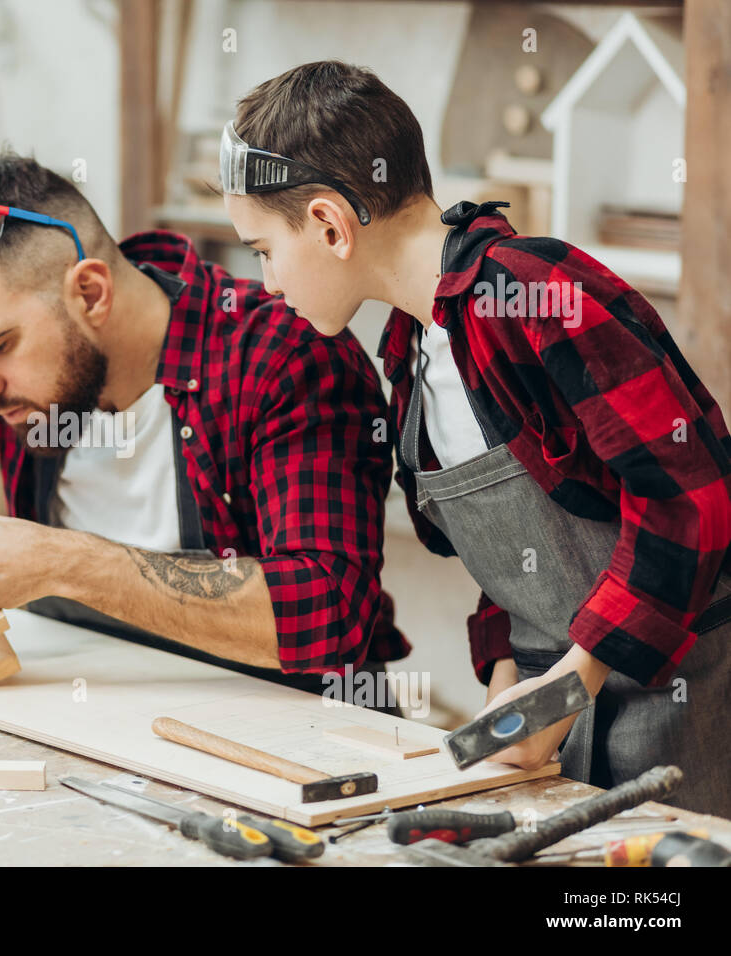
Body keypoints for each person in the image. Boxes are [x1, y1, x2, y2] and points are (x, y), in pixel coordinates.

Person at [220, 60, 731, 814]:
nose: (266, 281)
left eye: (263, 249)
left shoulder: (531, 290)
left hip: (686, 699)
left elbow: (694, 499)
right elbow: (515, 555)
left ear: (329, 224)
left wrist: (573, 679)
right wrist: (509, 689)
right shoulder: (412, 347)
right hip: (561, 713)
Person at [0, 150, 406, 699]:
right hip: (95, 717)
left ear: (92, 294)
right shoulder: (3, 334)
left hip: (288, 738)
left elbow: (329, 611)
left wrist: (62, 563)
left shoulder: (280, 358)